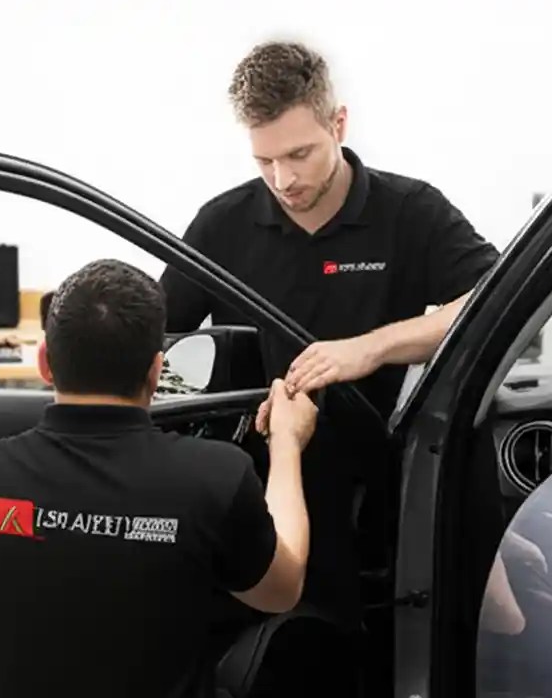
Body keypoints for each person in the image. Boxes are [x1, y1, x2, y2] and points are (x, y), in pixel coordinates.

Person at [159, 40, 500, 629]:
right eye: (264, 160)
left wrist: (369, 348)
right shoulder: (222, 223)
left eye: (299, 153)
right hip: (269, 486)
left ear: (338, 123)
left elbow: (493, 304)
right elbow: (157, 339)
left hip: (390, 479)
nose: (282, 179)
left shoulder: (411, 211)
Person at [0, 258, 320, 698]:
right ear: (156, 370)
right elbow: (280, 592)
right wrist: (286, 443)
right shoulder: (215, 478)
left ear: (45, 362)